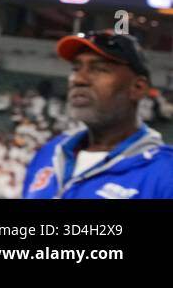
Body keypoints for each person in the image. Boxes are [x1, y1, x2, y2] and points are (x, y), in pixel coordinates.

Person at [23, 30, 173, 199]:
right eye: (76, 68)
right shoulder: (50, 152)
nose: (78, 79)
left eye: (99, 69)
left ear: (138, 88)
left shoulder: (166, 174)